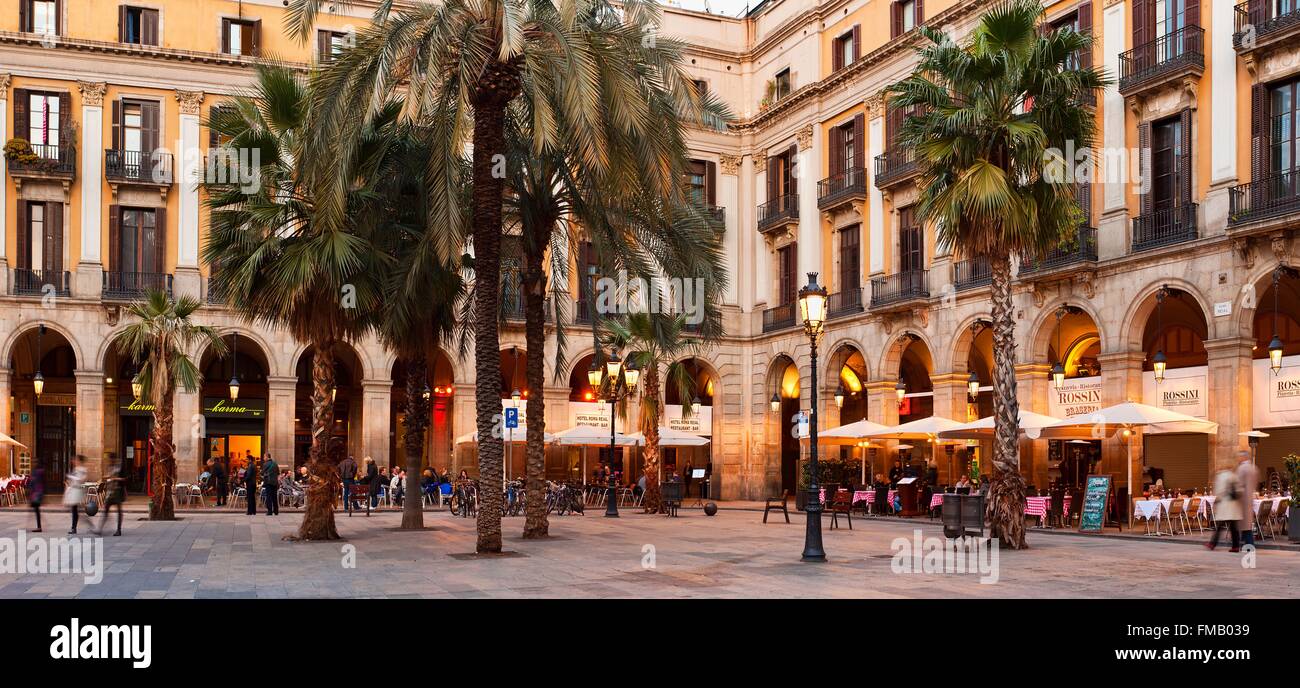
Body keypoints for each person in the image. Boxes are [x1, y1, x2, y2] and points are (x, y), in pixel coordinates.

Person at [1206, 466, 1244, 552]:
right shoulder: (1234, 476)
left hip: (1225, 505)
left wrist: (1217, 501)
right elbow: (1240, 490)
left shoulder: (1221, 476)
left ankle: (1212, 544)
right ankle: (1235, 546)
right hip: (1234, 506)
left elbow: (1219, 491)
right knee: (1234, 527)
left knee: (1219, 526)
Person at [95, 461, 126, 536]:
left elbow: (124, 479)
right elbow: (108, 479)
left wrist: (114, 478)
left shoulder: (120, 468)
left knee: (119, 511)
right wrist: (107, 478)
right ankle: (100, 529)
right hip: (110, 492)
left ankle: (118, 530)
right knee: (106, 510)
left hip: (117, 491)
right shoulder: (110, 468)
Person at [1236, 450, 1259, 547]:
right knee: (1246, 524)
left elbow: (1238, 484)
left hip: (1242, 499)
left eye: (1239, 457)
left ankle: (1249, 544)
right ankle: (1245, 541)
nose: (1238, 459)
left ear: (1243, 457)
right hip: (1250, 498)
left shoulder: (1241, 468)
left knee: (1244, 524)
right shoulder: (1254, 468)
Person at [64, 455, 88, 535]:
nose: (74, 461)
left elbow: (83, 479)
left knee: (75, 510)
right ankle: (74, 527)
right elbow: (71, 479)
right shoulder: (76, 469)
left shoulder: (82, 469)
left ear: (79, 461)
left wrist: (75, 479)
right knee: (75, 510)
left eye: (76, 460)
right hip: (74, 490)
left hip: (77, 491)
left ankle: (74, 528)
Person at [28, 465, 46, 532]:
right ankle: (39, 526)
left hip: (36, 494)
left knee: (36, 510)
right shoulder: (40, 472)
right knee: (36, 510)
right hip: (38, 493)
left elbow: (32, 483)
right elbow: (43, 483)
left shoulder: (36, 472)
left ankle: (39, 527)